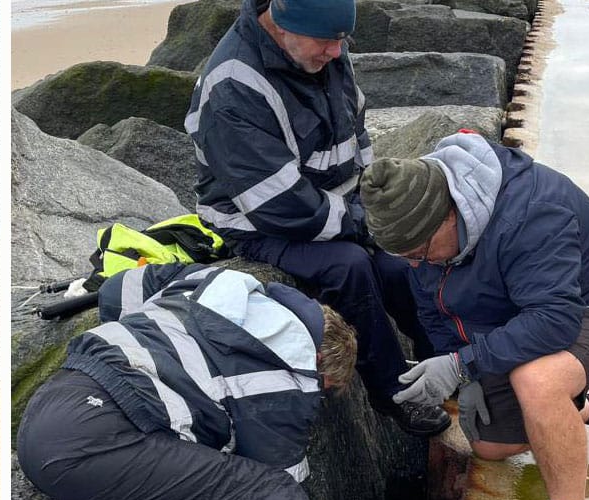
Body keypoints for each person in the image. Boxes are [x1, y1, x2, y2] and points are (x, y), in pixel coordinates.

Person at [18, 262, 467, 500]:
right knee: (265, 496)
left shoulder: (211, 283)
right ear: (317, 362)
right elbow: (275, 486)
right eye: (325, 388)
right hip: (87, 446)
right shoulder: (289, 375)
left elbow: (122, 286)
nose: (318, 398)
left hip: (57, 401)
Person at [359, 131, 589, 500]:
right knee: (493, 445)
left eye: (420, 251)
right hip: (530, 310)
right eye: (406, 258)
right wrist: (456, 367)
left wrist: (464, 365)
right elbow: (437, 308)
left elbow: (553, 322)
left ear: (451, 213)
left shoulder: (529, 213)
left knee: (536, 381)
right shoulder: (430, 234)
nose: (417, 265)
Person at [184, 0, 450, 437]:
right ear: (282, 23)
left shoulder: (321, 47)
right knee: (350, 268)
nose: (335, 52)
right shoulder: (234, 84)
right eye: (326, 42)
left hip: (336, 205)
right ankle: (394, 395)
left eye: (341, 40)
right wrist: (364, 225)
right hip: (257, 224)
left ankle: (445, 364)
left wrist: (375, 201)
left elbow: (355, 129)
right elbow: (280, 204)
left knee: (403, 267)